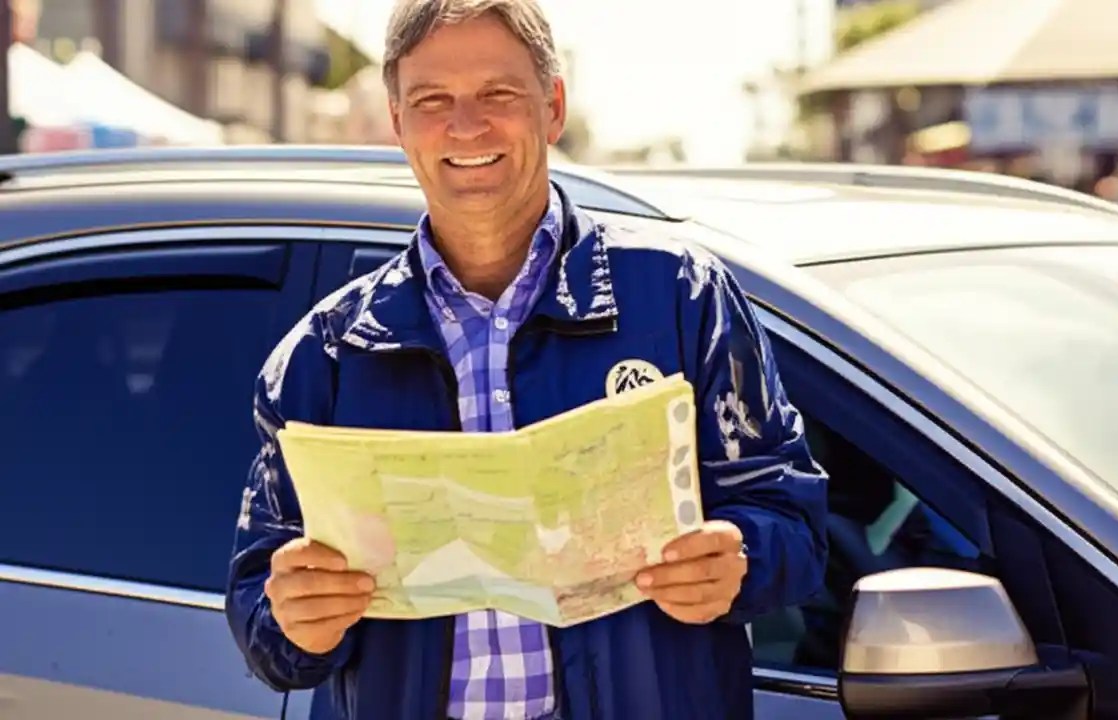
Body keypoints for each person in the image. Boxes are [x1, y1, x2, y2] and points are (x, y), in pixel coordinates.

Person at [223, 1, 828, 718]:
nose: (465, 125)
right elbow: (260, 613)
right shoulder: (324, 355)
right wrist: (294, 618)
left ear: (553, 105)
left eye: (497, 94)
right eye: (432, 100)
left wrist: (740, 560)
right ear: (397, 122)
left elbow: (794, 521)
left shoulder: (679, 297)